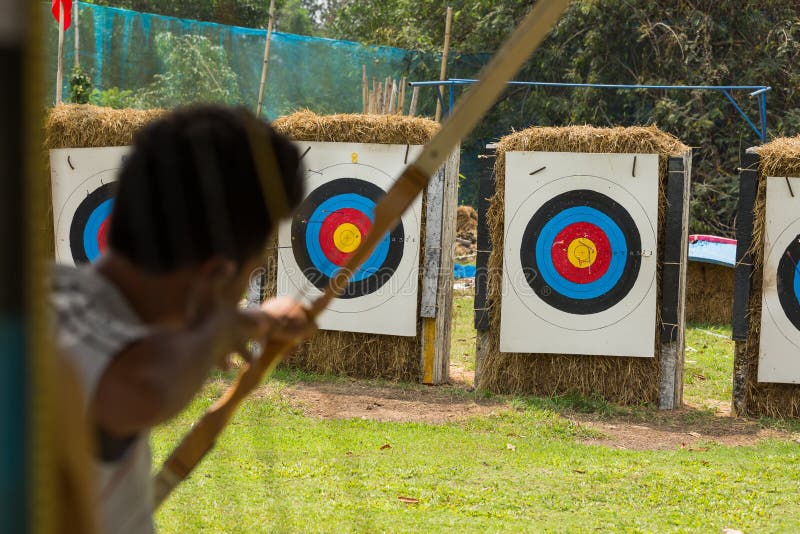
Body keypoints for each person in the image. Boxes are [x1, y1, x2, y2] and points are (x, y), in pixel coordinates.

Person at [50, 105, 315, 533]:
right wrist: (224, 329)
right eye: (250, 274)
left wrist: (256, 319)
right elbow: (143, 386)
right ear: (214, 276)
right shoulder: (49, 306)